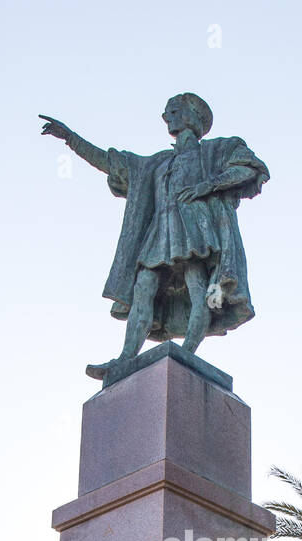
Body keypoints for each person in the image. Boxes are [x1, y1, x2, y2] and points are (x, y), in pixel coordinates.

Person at [39, 93, 268, 378]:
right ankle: (124, 358)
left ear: (192, 116)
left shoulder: (215, 151)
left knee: (199, 287)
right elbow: (111, 163)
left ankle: (186, 354)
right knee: (142, 288)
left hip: (194, 230)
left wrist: (208, 185)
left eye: (172, 110)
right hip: (159, 233)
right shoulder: (155, 163)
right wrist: (70, 138)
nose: (166, 117)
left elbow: (250, 169)